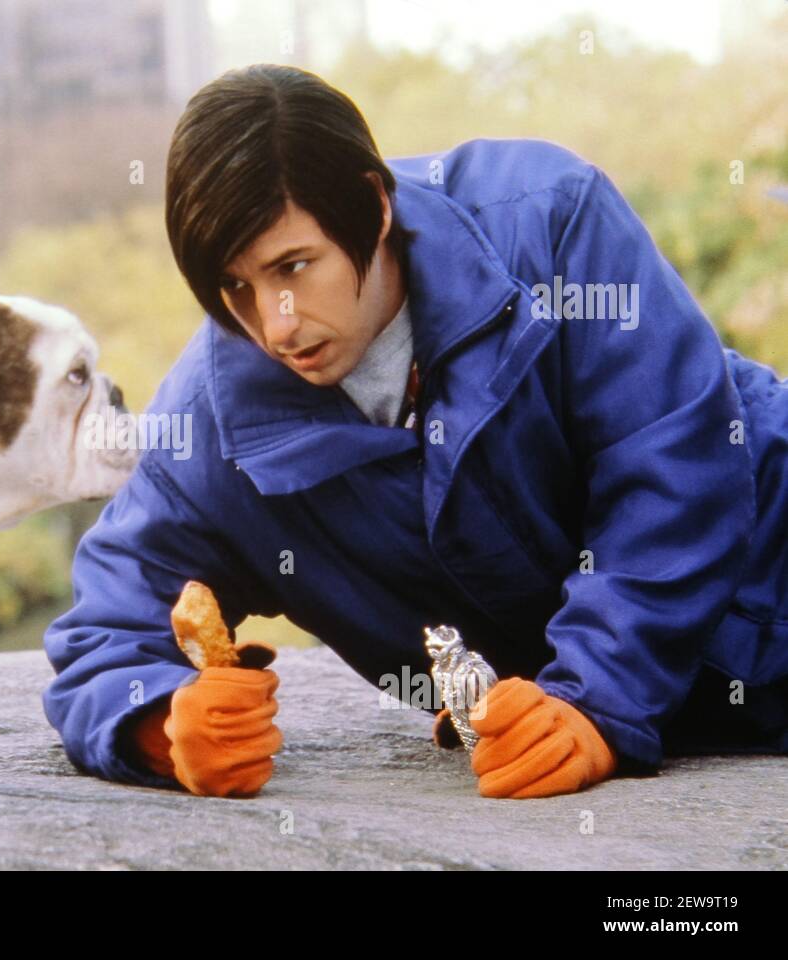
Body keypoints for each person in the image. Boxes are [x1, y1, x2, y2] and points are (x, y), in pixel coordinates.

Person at [41, 63, 788, 800]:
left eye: (294, 266)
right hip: (681, 725)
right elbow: (104, 634)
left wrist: (594, 700)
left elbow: (673, 456)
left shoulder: (553, 222)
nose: (276, 324)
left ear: (374, 205)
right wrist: (165, 727)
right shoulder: (205, 429)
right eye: (235, 286)